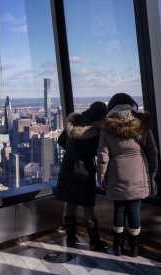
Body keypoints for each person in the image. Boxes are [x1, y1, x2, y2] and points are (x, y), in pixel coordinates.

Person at [97, 93, 158, 257]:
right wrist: (152, 174)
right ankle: (134, 249)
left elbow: (103, 157)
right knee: (134, 211)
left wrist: (101, 178)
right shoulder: (141, 125)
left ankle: (117, 247)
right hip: (138, 174)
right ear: (131, 105)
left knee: (119, 210)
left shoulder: (107, 127)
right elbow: (152, 152)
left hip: (116, 175)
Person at [56, 101, 108, 251]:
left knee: (70, 204)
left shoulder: (73, 123)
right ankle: (94, 241)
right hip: (84, 171)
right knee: (87, 207)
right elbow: (100, 152)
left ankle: (70, 238)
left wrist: (72, 150)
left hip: (67, 168)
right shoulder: (96, 131)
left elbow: (61, 141)